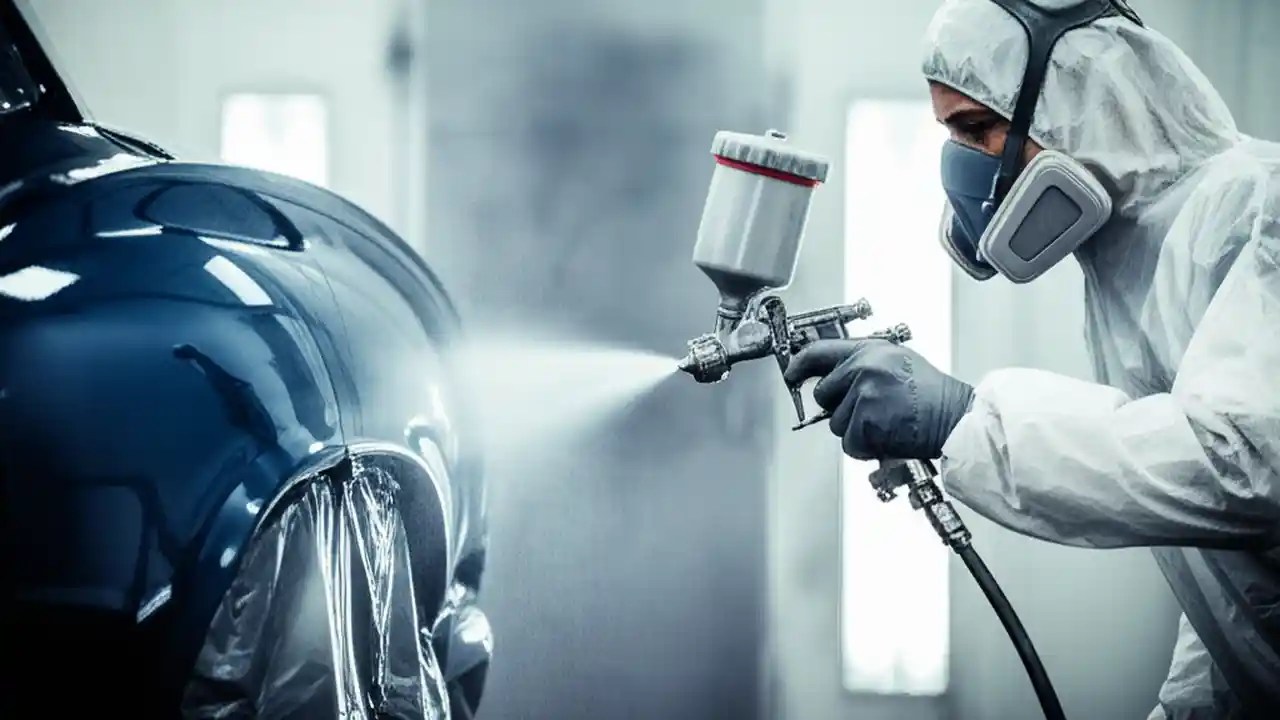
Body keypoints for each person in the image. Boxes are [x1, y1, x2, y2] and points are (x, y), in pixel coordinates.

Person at [784, 0, 1280, 717]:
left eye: (976, 128)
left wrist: (965, 420)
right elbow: (1234, 568)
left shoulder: (1256, 207)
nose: (960, 163)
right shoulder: (1123, 267)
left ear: (1079, 105)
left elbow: (1242, 463)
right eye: (950, 133)